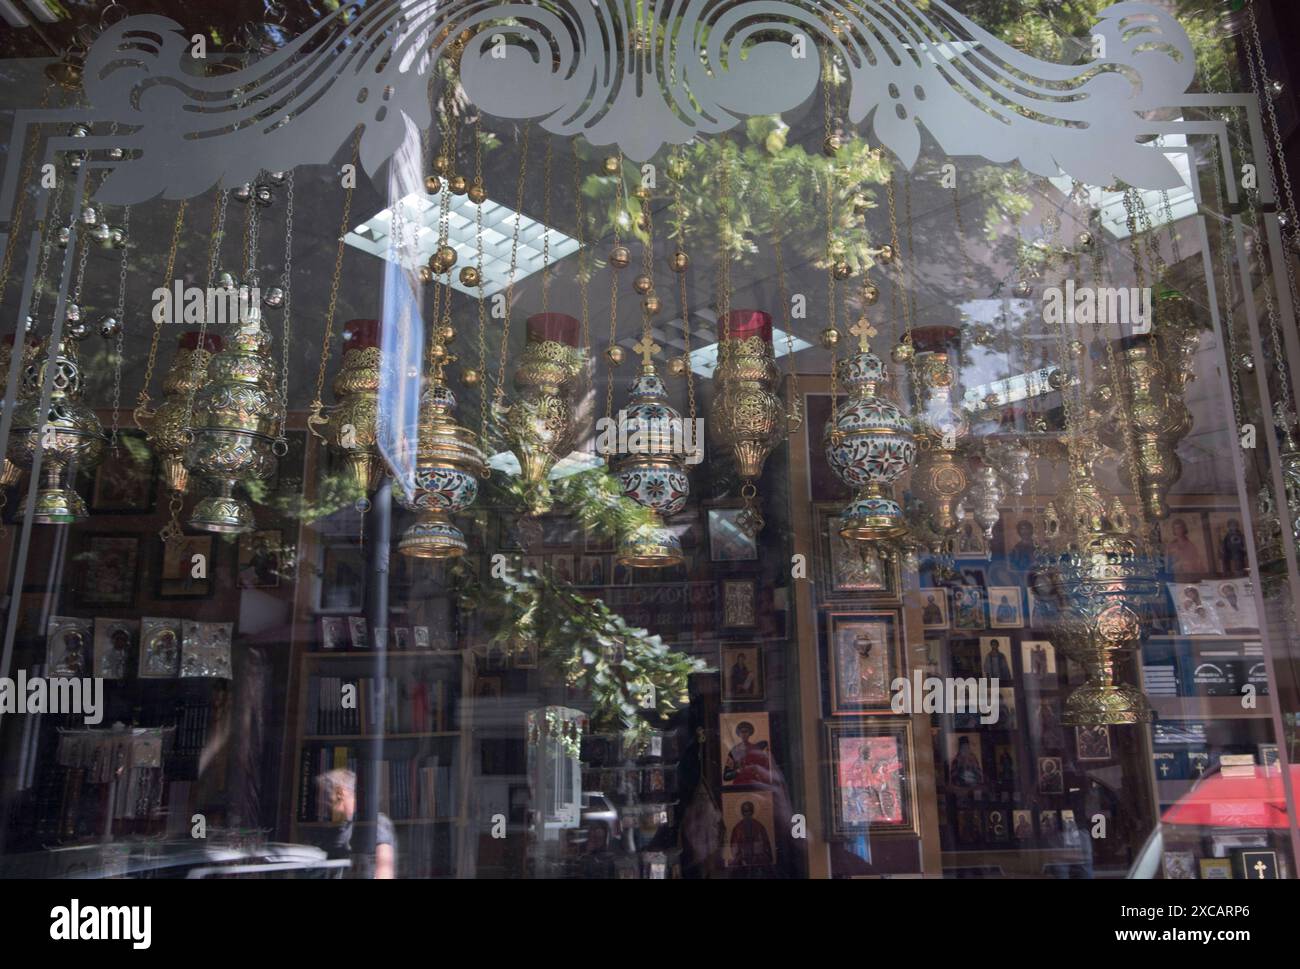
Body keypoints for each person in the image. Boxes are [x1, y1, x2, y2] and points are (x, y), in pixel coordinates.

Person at [314, 768, 395, 879]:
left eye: (324, 797)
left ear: (340, 793)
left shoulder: (376, 823)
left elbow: (384, 873)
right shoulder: (332, 829)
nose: (320, 803)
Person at [722, 721, 770, 785]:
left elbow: (765, 771)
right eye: (742, 732)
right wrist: (737, 771)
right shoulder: (734, 751)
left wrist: (755, 769)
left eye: (746, 731)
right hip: (738, 785)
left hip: (754, 785)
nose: (744, 734)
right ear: (739, 734)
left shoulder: (756, 749)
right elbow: (726, 776)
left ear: (750, 733)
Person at [728, 800, 773, 867]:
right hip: (742, 861)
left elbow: (766, 847)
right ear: (742, 812)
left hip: (758, 862)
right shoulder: (737, 828)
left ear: (752, 812)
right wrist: (740, 856)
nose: (747, 814)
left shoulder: (759, 827)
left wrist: (758, 855)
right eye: (744, 811)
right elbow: (734, 848)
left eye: (749, 811)